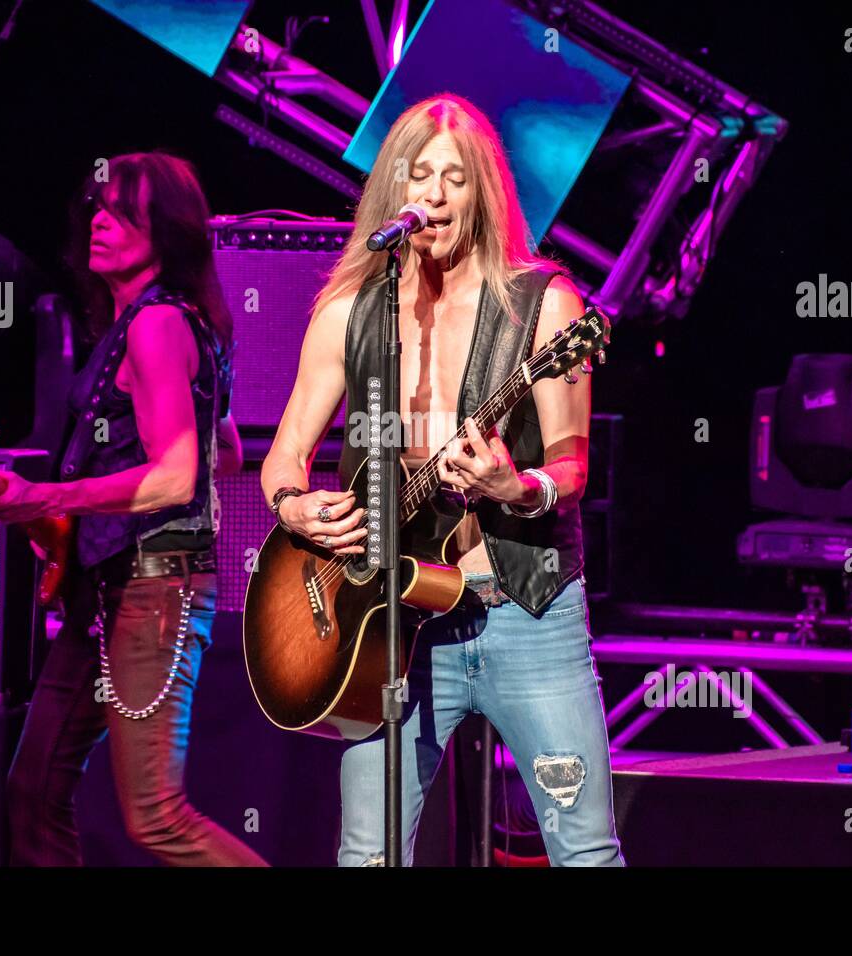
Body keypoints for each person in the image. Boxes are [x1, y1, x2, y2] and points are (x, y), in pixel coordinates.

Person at [261, 96, 623, 866]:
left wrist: (511, 487)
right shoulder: (351, 311)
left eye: (455, 177)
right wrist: (297, 507)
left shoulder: (545, 304)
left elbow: (571, 468)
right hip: (386, 625)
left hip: (524, 609)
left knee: (584, 852)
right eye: (418, 174)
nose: (435, 193)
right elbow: (283, 455)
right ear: (392, 194)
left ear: (483, 192)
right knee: (368, 857)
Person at [0, 151, 265, 866]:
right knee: (35, 788)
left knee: (158, 818)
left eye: (121, 213)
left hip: (153, 591)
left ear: (163, 229)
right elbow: (220, 452)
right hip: (111, 589)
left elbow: (176, 476)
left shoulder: (157, 325)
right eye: (95, 209)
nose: (98, 222)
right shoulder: (159, 321)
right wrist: (55, 518)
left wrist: (50, 496)